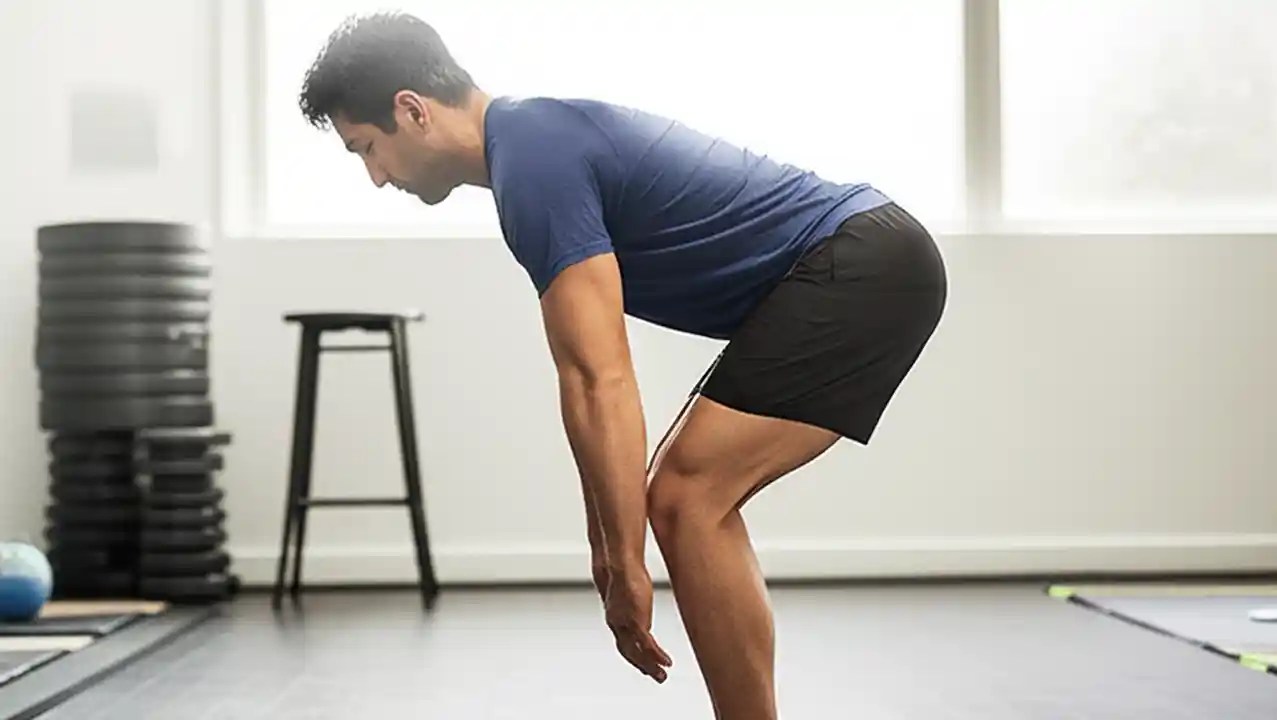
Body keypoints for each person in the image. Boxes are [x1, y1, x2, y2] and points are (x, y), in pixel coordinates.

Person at [299, 12, 947, 720]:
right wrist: (612, 548)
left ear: (411, 110)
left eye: (367, 149)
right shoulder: (528, 145)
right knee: (684, 498)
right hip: (863, 258)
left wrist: (620, 559)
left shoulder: (532, 162)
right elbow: (588, 381)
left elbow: (597, 379)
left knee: (685, 497)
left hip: (861, 264)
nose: (374, 177)